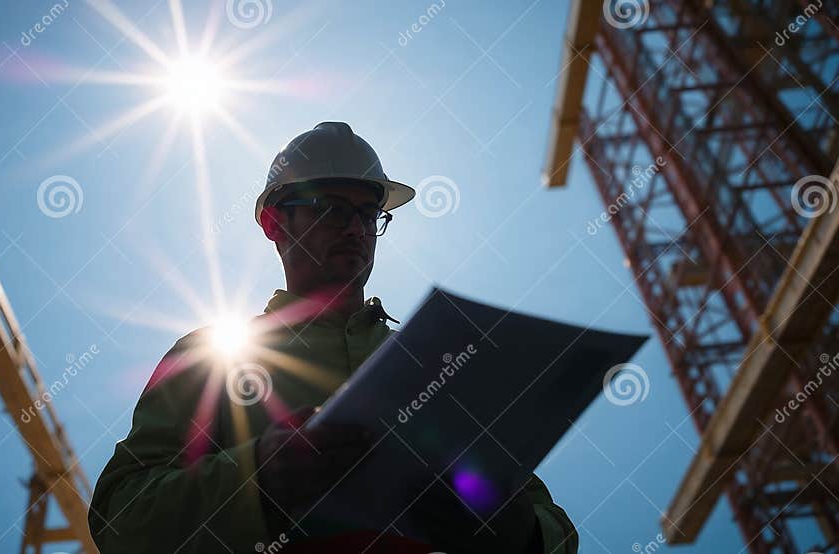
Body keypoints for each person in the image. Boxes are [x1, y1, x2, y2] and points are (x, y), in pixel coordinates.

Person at [88, 122, 579, 553]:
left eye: (369, 215)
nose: (357, 229)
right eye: (331, 208)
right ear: (275, 223)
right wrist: (259, 478)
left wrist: (519, 534)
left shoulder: (438, 364)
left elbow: (546, 520)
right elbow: (121, 522)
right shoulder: (211, 358)